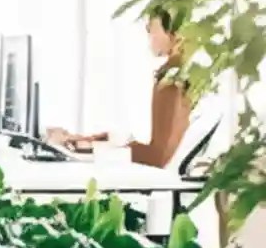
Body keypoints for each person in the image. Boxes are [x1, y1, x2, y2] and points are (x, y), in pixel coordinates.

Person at [47, 9, 191, 167]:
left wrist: (87, 148)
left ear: (172, 31)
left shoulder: (170, 80)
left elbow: (158, 156)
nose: (148, 32)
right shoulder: (185, 73)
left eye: (151, 27)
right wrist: (84, 141)